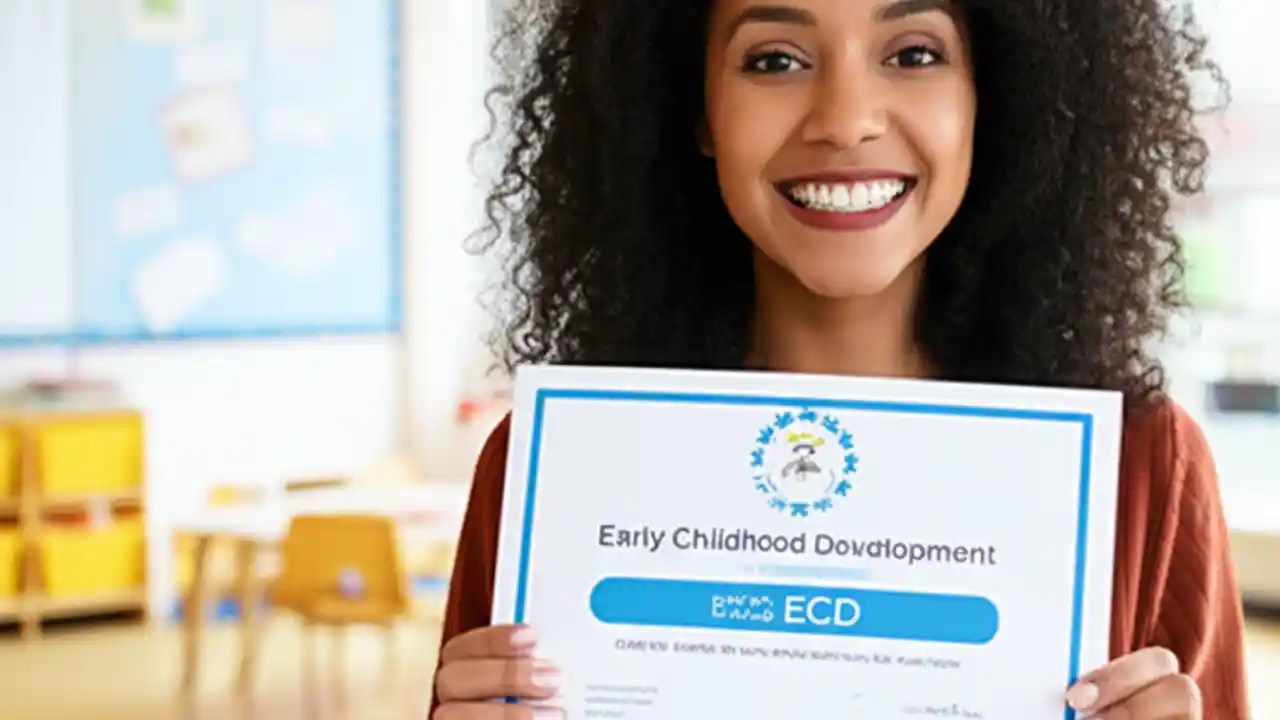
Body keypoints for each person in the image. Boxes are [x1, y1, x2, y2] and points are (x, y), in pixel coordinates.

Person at [430, 0, 1250, 717]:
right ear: (694, 111)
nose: (846, 118)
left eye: (913, 54)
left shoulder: (1143, 470)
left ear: (991, 99)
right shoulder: (550, 471)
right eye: (775, 60)